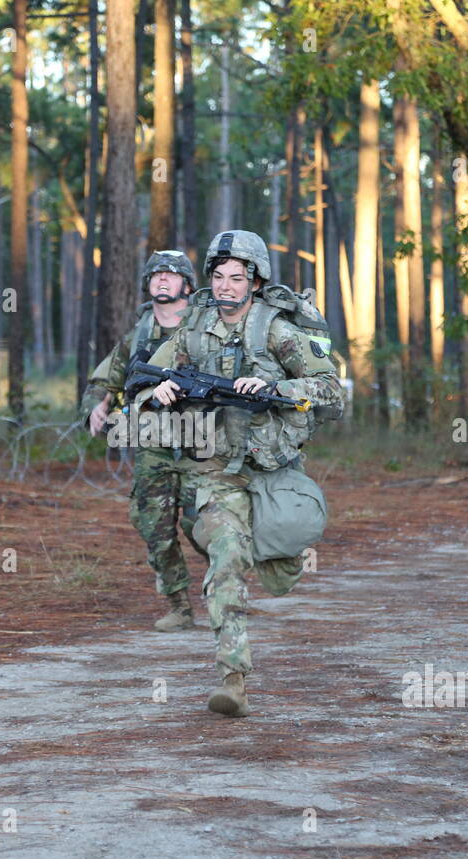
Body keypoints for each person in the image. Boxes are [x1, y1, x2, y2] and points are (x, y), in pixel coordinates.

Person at [142, 230, 344, 716]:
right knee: (227, 558)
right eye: (219, 276)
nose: (227, 286)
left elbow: (332, 391)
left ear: (255, 283)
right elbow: (145, 377)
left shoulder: (276, 330)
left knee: (280, 563)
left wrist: (275, 385)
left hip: (273, 467)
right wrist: (158, 392)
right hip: (215, 471)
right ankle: (233, 680)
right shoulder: (193, 326)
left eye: (238, 277)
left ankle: (280, 555)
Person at [79, 250, 202, 631]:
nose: (163, 280)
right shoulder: (139, 334)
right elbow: (105, 378)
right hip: (151, 440)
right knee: (154, 522)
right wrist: (95, 407)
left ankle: (225, 592)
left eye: (172, 274)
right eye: (156, 275)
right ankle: (179, 605)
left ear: (187, 284)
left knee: (205, 523)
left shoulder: (206, 327)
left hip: (202, 439)